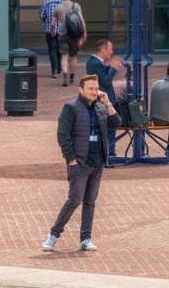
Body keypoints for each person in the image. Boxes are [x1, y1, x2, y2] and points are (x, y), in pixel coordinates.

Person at [42, 74, 121, 252]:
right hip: (79, 162)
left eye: (96, 88)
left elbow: (116, 123)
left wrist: (108, 103)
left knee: (90, 202)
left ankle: (86, 239)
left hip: (98, 161)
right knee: (75, 199)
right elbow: (63, 135)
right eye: (90, 89)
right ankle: (53, 235)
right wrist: (71, 159)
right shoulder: (71, 107)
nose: (94, 92)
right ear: (81, 90)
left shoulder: (101, 107)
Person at [86, 38, 122, 159]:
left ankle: (110, 151)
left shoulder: (96, 62)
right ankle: (109, 153)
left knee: (110, 127)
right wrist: (113, 68)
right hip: (103, 101)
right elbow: (106, 81)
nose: (112, 52)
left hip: (105, 100)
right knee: (109, 127)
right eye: (110, 49)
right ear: (103, 50)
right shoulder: (95, 63)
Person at [55, 0, 87, 87]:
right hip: (74, 36)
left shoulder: (58, 7)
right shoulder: (76, 6)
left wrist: (52, 31)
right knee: (73, 56)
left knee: (64, 56)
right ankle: (72, 77)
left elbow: (52, 23)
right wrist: (84, 33)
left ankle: (65, 76)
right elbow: (81, 20)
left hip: (62, 35)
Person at [39, 0, 64, 78]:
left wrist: (47, 20)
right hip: (62, 31)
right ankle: (59, 69)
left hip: (50, 30)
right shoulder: (64, 2)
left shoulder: (47, 2)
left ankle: (54, 70)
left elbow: (41, 15)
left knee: (52, 50)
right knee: (60, 50)